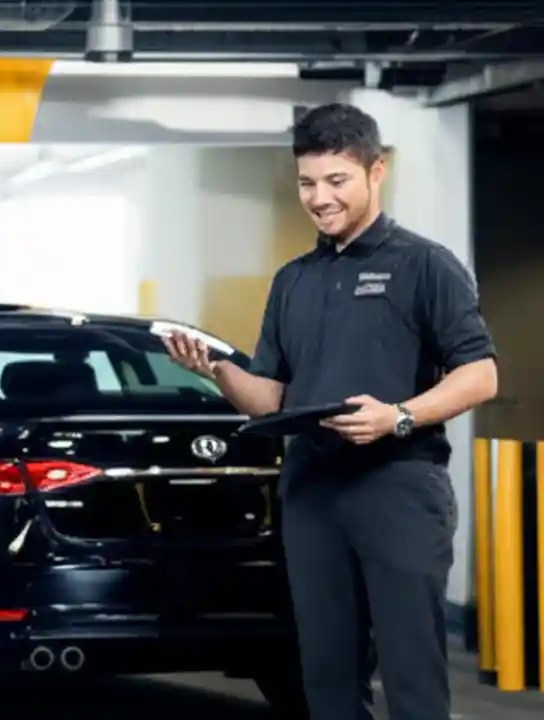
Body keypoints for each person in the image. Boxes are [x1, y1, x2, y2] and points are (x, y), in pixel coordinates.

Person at [163, 102, 498, 720]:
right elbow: (273, 397)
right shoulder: (293, 280)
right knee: (326, 678)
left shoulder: (424, 265)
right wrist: (213, 368)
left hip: (397, 487)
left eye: (336, 180)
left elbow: (481, 374)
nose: (320, 198)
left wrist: (397, 415)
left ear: (377, 172)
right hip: (313, 491)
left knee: (411, 677)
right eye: (307, 183)